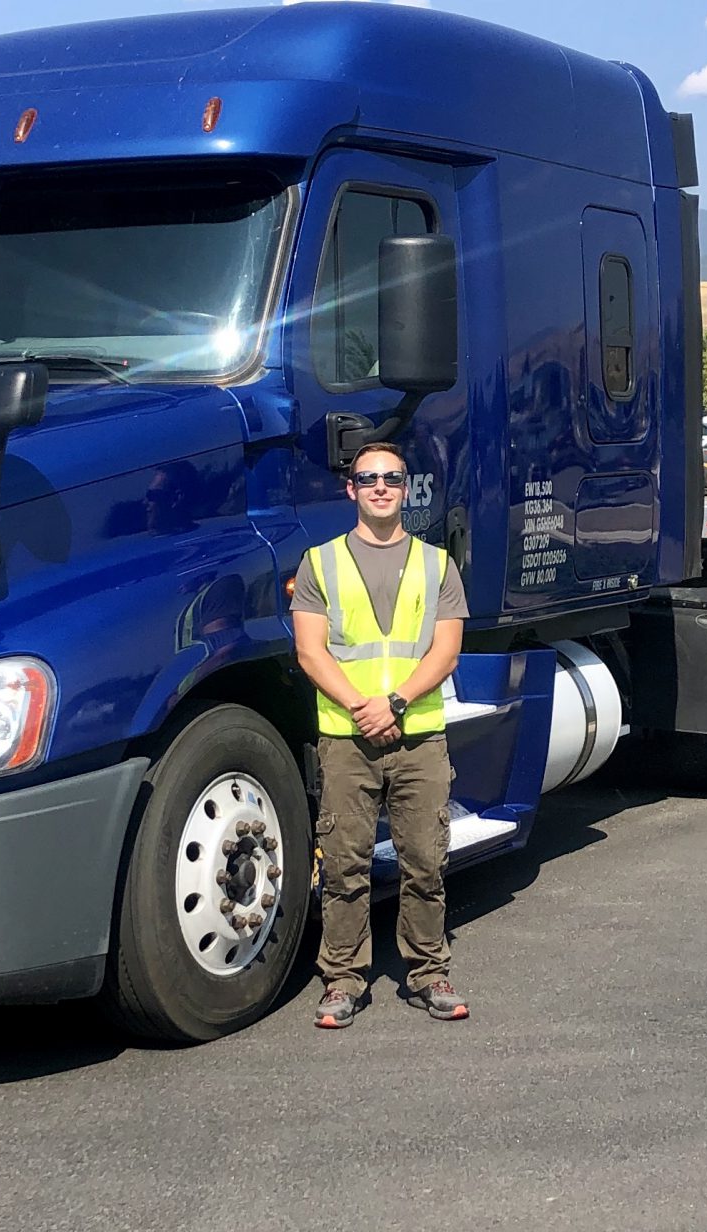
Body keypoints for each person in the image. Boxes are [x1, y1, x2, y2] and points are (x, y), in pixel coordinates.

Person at [291, 441, 469, 1029]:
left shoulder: (437, 564)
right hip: (347, 738)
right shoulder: (318, 564)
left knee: (424, 860)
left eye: (391, 477)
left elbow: (446, 651)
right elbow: (309, 651)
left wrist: (393, 703)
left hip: (419, 734)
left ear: (405, 486)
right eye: (368, 478)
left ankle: (428, 973)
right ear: (351, 490)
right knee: (344, 865)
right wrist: (359, 707)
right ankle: (342, 981)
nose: (380, 487)